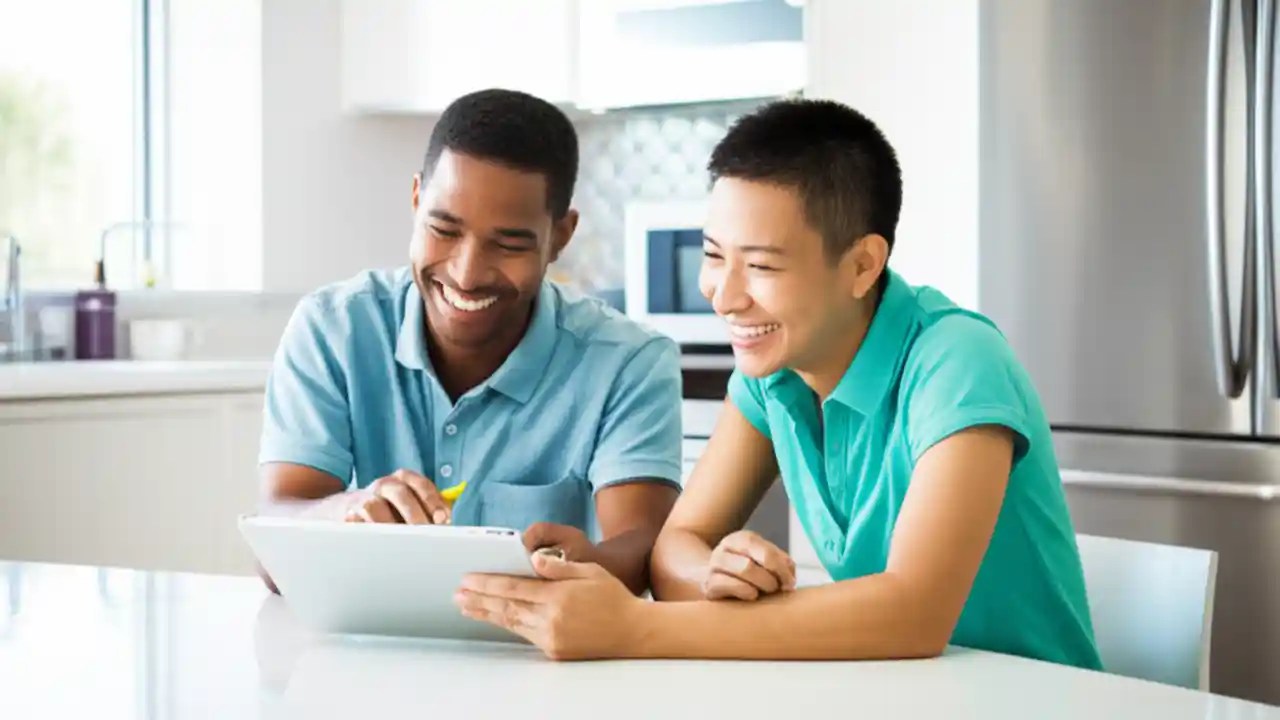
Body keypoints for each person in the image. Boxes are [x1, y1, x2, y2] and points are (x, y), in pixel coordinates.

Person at [454, 98, 1103, 670]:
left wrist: (636, 626)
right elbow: (675, 547)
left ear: (861, 265)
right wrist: (713, 574)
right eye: (712, 256)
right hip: (901, 693)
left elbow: (915, 611)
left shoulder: (957, 361)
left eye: (761, 265)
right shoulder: (773, 375)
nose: (725, 295)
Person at [255, 89, 682, 596]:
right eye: (443, 229)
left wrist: (588, 564)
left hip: (541, 660)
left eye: (509, 244)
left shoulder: (629, 362)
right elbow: (275, 537)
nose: (467, 273)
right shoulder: (333, 329)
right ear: (416, 200)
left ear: (560, 236)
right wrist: (347, 511)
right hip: (371, 648)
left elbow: (642, 551)